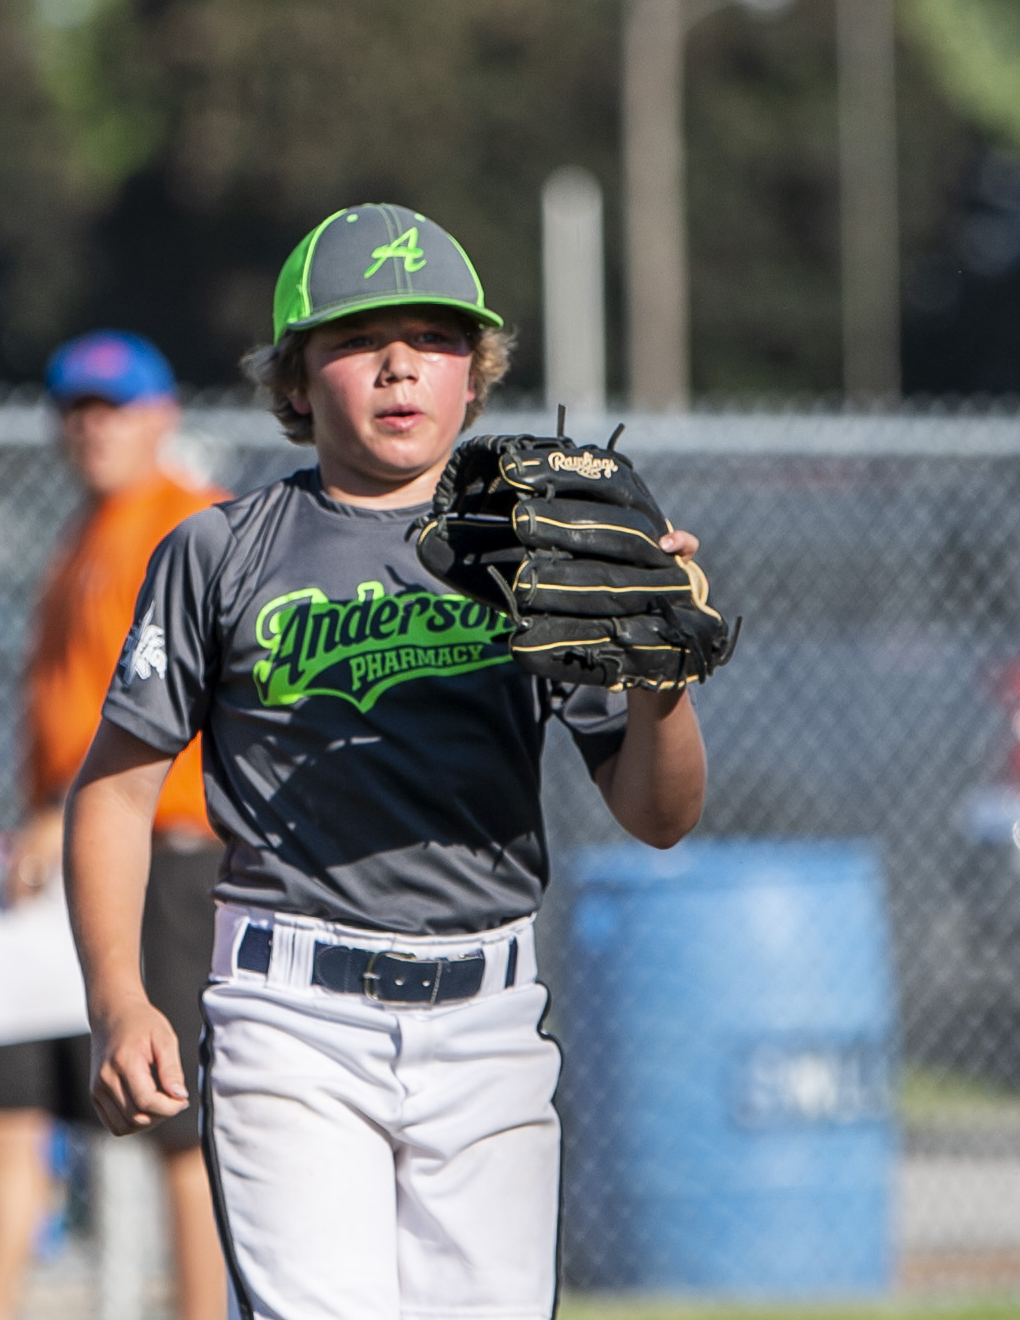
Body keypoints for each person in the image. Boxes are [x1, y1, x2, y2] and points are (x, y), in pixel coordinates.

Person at [61, 203, 710, 1320]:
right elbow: (113, 797)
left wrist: (660, 681)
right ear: (297, 379)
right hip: (289, 1017)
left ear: (477, 375)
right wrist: (119, 999)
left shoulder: (541, 552)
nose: (403, 363)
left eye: (439, 337)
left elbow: (659, 814)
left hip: (490, 1021)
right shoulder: (221, 553)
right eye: (361, 337)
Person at [0, 331, 226, 1320]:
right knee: (8, 1102)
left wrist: (58, 813)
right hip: (61, 854)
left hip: (165, 854)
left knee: (182, 1121)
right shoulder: (80, 538)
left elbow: (175, 719)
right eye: (74, 408)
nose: (90, 426)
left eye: (112, 406)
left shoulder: (188, 527)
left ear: (162, 416)